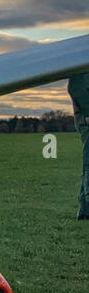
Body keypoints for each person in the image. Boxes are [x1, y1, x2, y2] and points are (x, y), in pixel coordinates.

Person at [67, 73, 89, 219]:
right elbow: (76, 87)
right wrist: (87, 111)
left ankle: (85, 210)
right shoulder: (82, 60)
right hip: (86, 117)